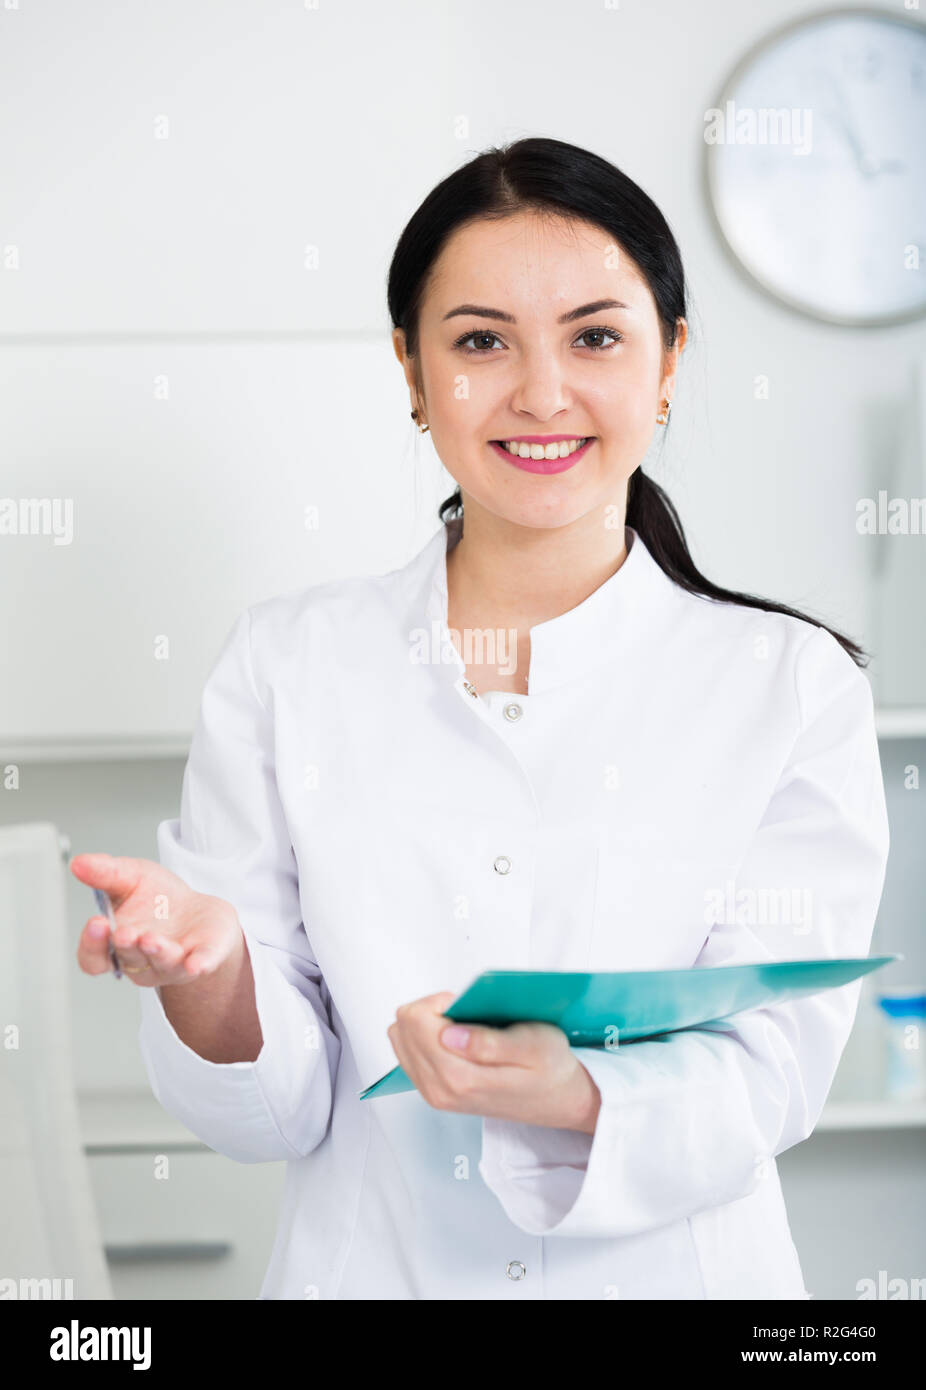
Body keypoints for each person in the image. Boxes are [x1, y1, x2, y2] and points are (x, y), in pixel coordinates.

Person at [72, 137, 890, 1300]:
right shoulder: (287, 664)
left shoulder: (789, 684)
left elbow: (772, 1071)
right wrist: (205, 973)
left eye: (596, 336)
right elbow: (276, 1109)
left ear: (668, 364)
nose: (542, 392)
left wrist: (567, 1096)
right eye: (478, 341)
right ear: (411, 371)